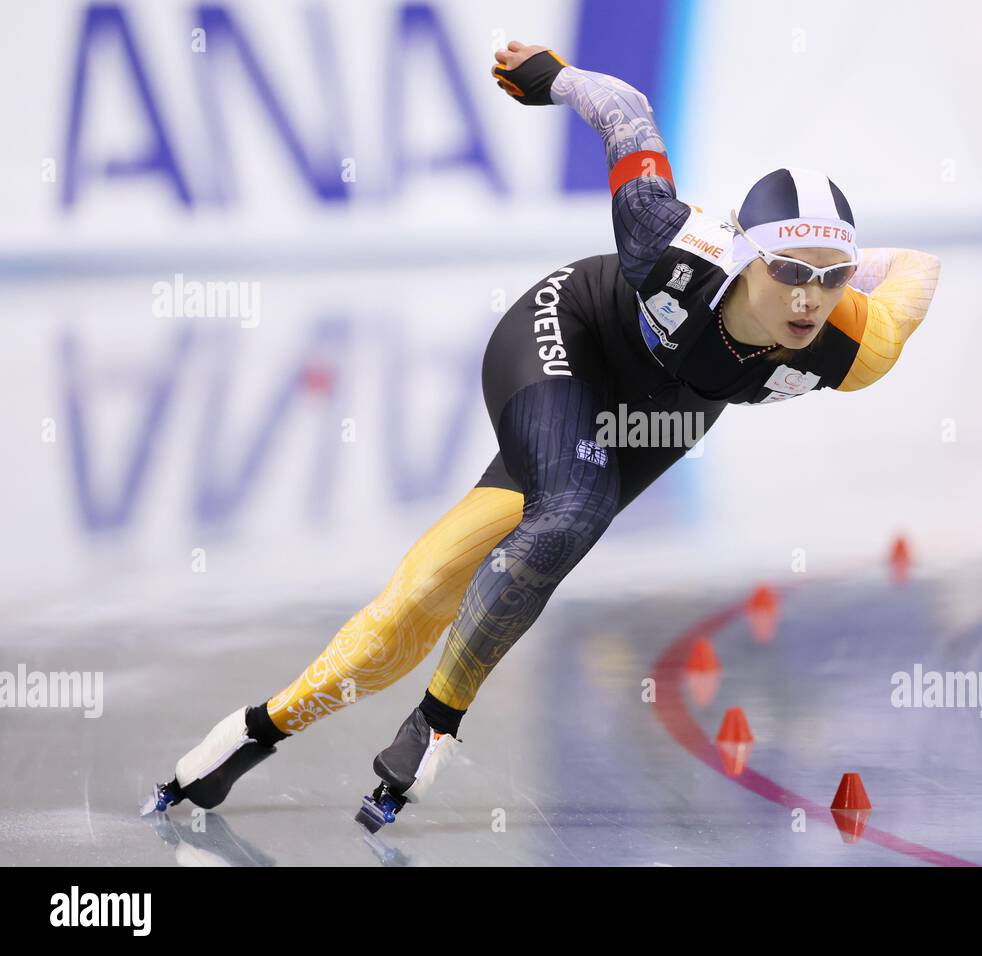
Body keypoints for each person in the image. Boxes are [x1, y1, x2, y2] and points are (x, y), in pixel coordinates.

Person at [142, 41, 941, 831]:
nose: (808, 300)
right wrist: (557, 77)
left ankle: (253, 731)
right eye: (788, 272)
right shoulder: (668, 246)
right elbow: (626, 111)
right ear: (743, 253)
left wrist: (846, 261)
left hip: (658, 416)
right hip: (568, 332)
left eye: (827, 278)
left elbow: (921, 266)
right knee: (571, 509)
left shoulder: (855, 345)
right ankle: (439, 722)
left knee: (419, 597)